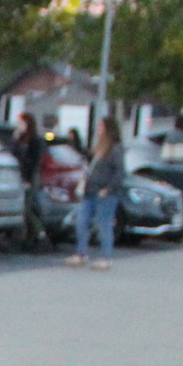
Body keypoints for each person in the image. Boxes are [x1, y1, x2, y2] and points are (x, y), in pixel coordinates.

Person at [70, 115, 124, 270]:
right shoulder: (98, 147)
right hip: (90, 190)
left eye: (101, 126)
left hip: (105, 193)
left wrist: (109, 188)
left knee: (104, 224)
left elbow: (119, 172)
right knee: (81, 221)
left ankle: (106, 257)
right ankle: (81, 253)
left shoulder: (115, 148)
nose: (98, 129)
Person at [11, 110, 49, 251]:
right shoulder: (19, 138)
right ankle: (26, 237)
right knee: (23, 208)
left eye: (21, 122)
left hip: (29, 178)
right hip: (19, 176)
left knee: (26, 208)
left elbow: (33, 161)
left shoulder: (34, 140)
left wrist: (27, 178)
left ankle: (40, 235)